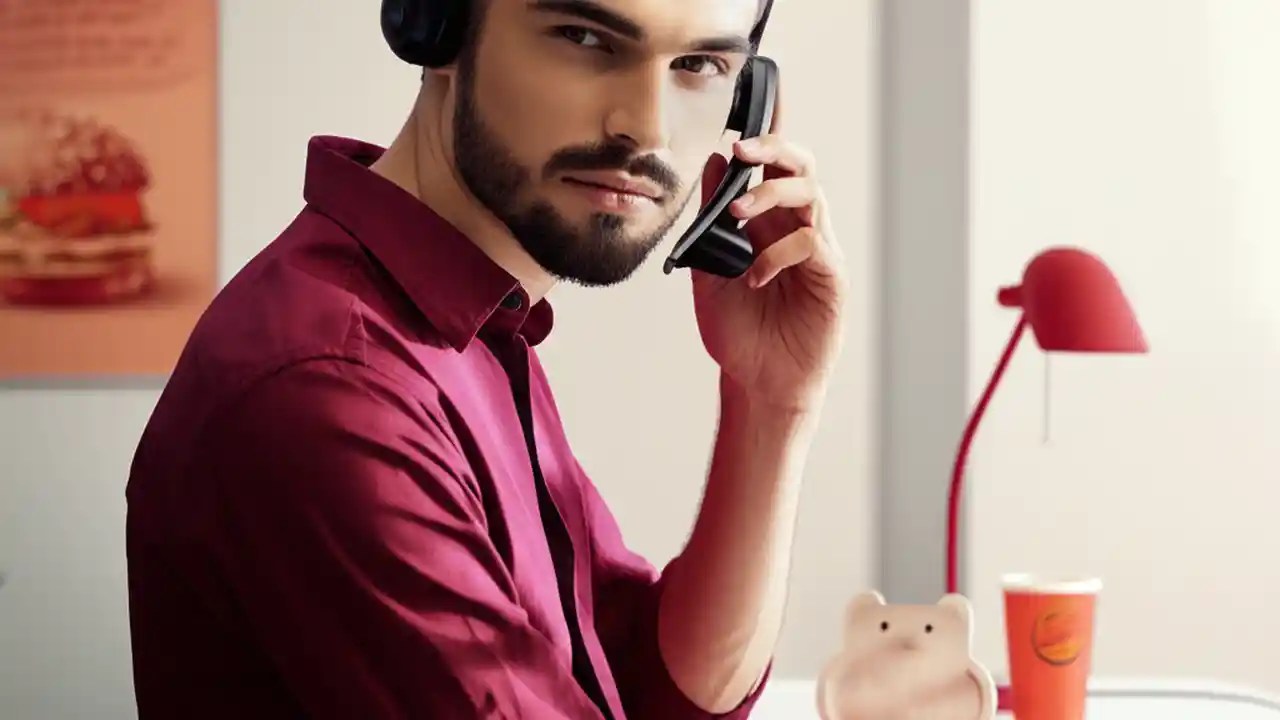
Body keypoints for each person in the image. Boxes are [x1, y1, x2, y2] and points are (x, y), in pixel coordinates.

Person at [124, 0, 846, 717]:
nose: (648, 126)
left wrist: (773, 401)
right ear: (436, 23)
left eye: (699, 65)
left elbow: (654, 690)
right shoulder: (336, 390)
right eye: (585, 37)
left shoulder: (466, 332)